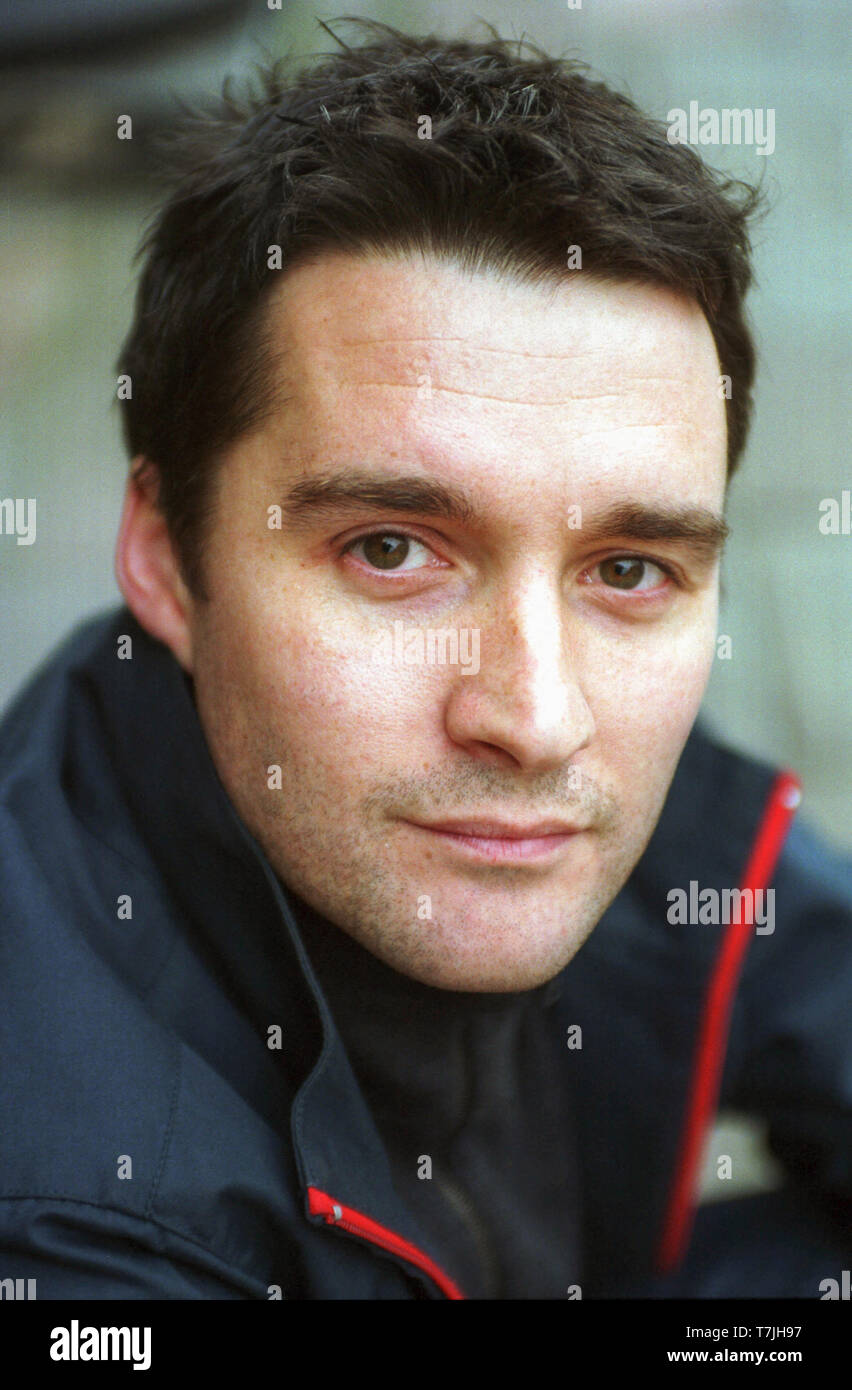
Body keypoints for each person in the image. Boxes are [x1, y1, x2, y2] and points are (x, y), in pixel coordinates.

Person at [0, 18, 849, 1300]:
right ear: (165, 557)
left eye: (627, 567)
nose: (540, 716)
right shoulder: (88, 1230)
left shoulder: (540, 764)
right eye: (393, 550)